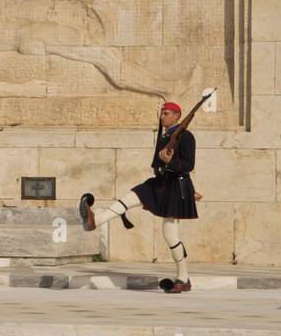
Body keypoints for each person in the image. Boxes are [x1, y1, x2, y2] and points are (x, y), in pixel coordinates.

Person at [78, 100, 198, 293]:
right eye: (162, 113)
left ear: (177, 116)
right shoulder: (165, 135)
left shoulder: (186, 136)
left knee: (170, 233)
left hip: (175, 186)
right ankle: (95, 221)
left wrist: (171, 161)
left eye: (167, 113)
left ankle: (183, 278)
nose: (163, 116)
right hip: (159, 183)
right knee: (130, 197)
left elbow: (188, 165)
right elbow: (158, 165)